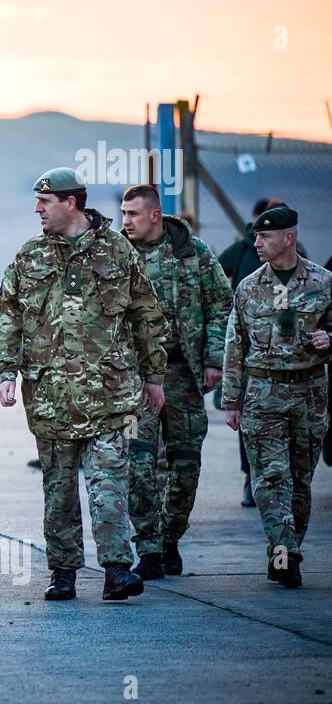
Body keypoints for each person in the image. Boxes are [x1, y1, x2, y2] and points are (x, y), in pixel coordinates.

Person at [0, 168, 166, 602]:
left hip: (110, 395)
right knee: (59, 490)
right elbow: (5, 317)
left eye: (44, 202)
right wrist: (5, 372)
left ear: (71, 203)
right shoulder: (29, 257)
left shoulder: (118, 251)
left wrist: (155, 376)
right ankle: (63, 571)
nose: (37, 210)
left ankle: (117, 570)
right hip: (51, 398)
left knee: (109, 486)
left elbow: (145, 315)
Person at [120, 185, 232, 578]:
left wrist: (215, 358)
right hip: (134, 378)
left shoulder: (193, 252)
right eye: (123, 213)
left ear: (155, 215)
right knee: (138, 462)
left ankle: (170, 539)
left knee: (186, 464)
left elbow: (221, 302)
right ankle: (148, 547)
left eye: (133, 214)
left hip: (183, 375)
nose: (125, 221)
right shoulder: (117, 255)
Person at [222, 206, 331, 589]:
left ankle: (287, 552)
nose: (256, 244)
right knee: (270, 479)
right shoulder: (249, 287)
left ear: (288, 238)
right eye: (255, 237)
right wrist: (231, 401)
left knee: (300, 479)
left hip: (309, 394)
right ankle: (283, 552)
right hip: (262, 394)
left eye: (264, 238)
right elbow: (235, 346)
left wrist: (328, 340)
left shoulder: (323, 281)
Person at [218, 198, 309, 507]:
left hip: (298, 374)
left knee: (297, 452)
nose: (259, 242)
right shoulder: (244, 253)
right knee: (253, 430)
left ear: (288, 236)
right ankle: (252, 480)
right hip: (256, 367)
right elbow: (217, 276)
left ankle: (289, 494)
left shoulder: (309, 269)